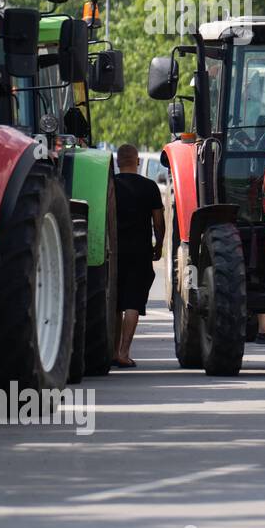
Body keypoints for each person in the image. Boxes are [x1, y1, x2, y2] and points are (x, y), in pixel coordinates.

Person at [113, 144, 165, 368]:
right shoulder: (150, 187)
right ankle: (124, 352)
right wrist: (159, 244)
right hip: (140, 251)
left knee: (115, 303)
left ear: (117, 162)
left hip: (114, 252)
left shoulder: (110, 186)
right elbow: (158, 221)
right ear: (137, 161)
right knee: (133, 302)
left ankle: (113, 352)